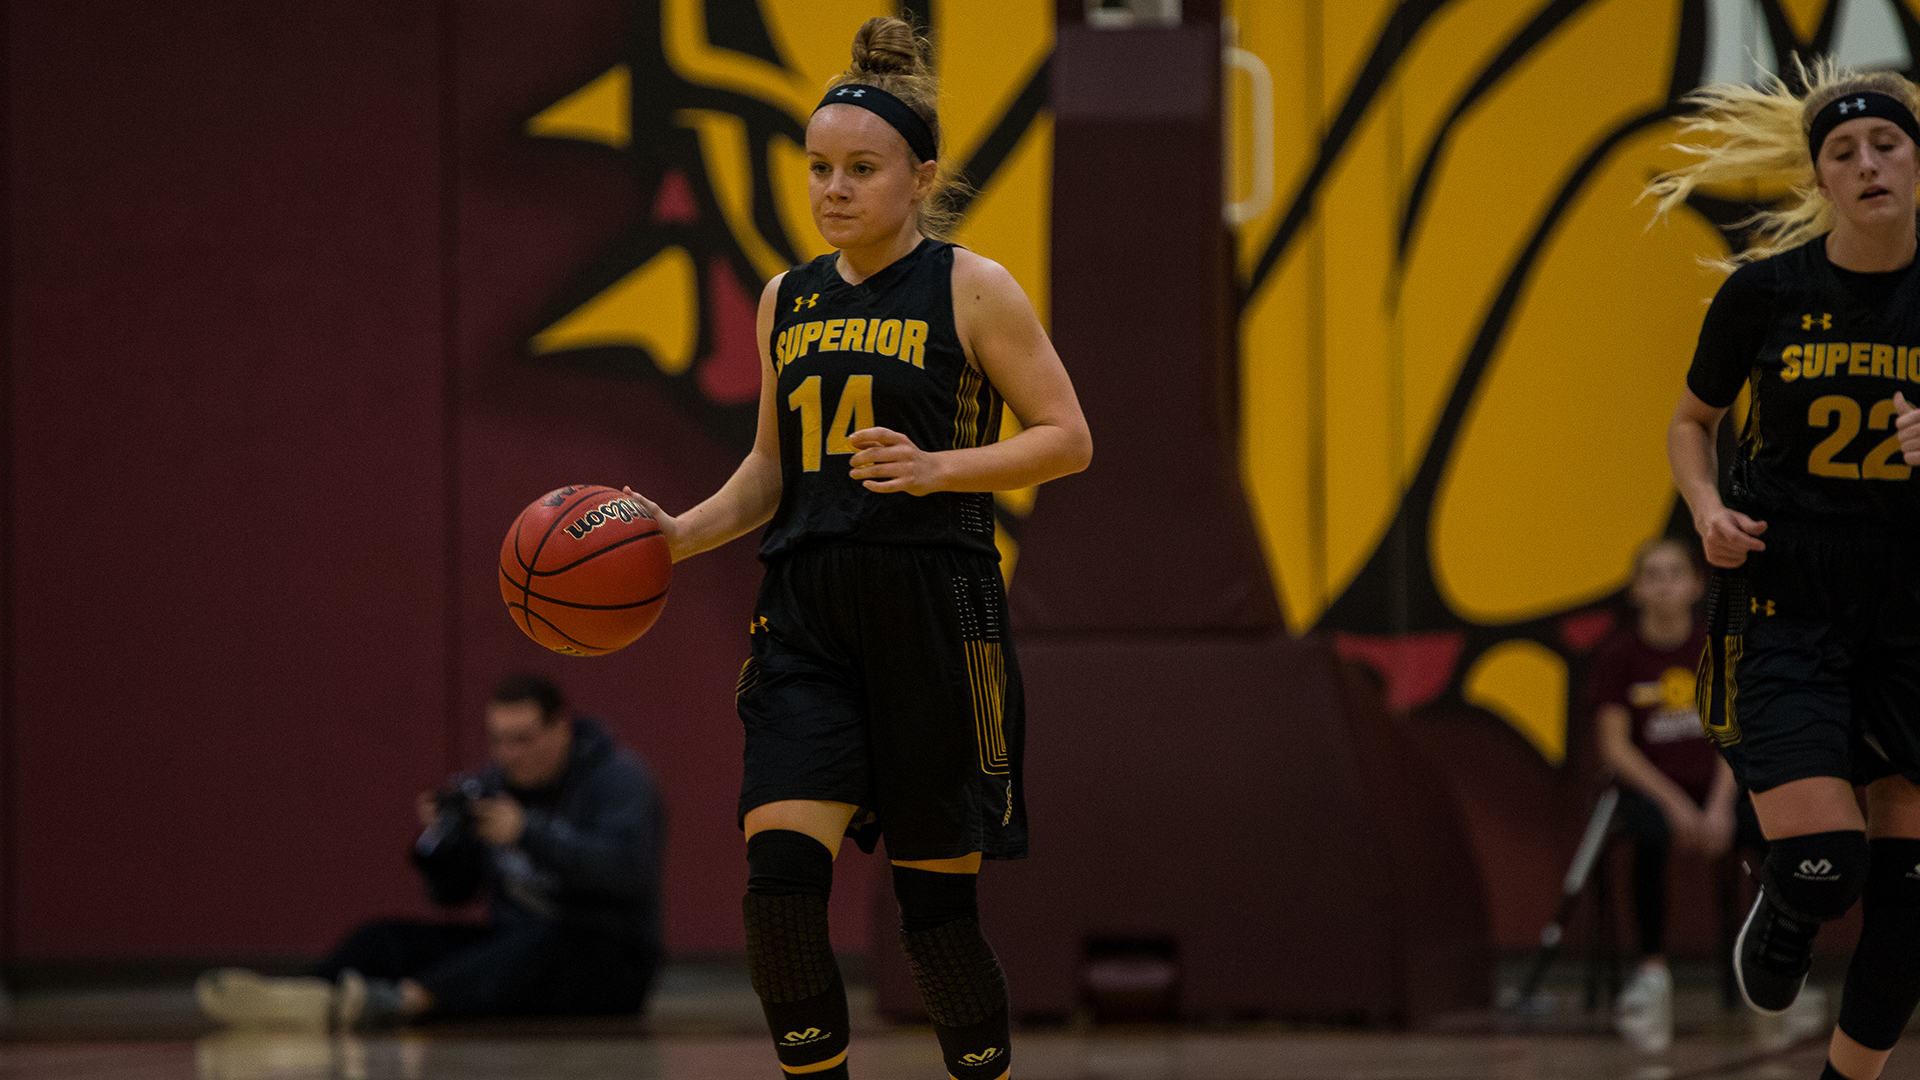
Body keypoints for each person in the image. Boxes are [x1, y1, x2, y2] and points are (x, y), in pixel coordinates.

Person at [625, 16, 1090, 1080]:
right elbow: (771, 473)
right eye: (819, 169)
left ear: (919, 177)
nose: (833, 190)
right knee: (780, 888)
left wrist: (939, 468)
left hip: (937, 614)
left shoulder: (973, 287)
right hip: (808, 616)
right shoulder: (788, 300)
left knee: (935, 917)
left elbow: (1068, 438)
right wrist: (678, 535)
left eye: (861, 170)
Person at [1652, 59, 1920, 1080]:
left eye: (1887, 144)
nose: (1867, 165)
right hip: (1792, 594)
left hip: (1911, 603)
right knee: (1828, 864)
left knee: (1910, 892)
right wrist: (1708, 507)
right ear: (1819, 179)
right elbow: (1690, 422)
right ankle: (1789, 899)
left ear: (1917, 161)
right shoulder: (1767, 293)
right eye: (1843, 152)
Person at [197, 674, 664, 1028]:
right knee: (384, 937)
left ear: (561, 726)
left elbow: (628, 873)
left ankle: (400, 1002)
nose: (510, 755)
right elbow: (453, 897)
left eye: (523, 739)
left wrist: (527, 833)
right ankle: (304, 997)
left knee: (545, 943)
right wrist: (445, 845)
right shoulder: (490, 784)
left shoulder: (619, 780)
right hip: (514, 943)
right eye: (499, 740)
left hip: (610, 957)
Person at [1590, 537, 1765, 1052]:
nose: (1664, 584)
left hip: (1720, 784)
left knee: (1778, 834)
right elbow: (1615, 746)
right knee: (1648, 835)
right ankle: (1651, 972)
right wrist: (1676, 805)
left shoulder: (1718, 647)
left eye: (1674, 573)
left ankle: (1775, 960)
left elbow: (1734, 734)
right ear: (1636, 590)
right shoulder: (1620, 656)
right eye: (1652, 574)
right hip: (1655, 789)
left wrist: (1716, 807)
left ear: (1695, 586)